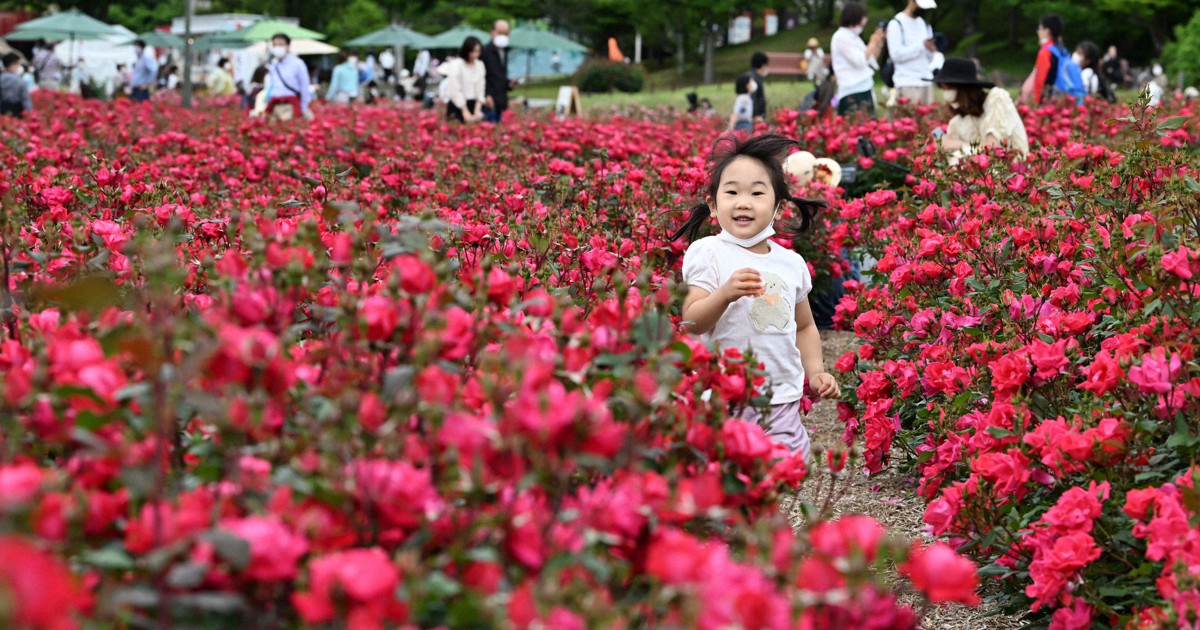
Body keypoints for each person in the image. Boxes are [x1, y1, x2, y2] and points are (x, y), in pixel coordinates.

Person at [672, 134, 839, 461]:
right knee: (728, 474)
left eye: (757, 193)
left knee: (782, 471)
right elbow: (690, 320)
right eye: (732, 192)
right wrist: (724, 295)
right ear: (712, 205)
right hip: (724, 398)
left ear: (779, 207)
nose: (743, 202)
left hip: (780, 398)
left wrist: (816, 371)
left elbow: (805, 326)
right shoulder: (708, 252)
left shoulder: (790, 263)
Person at [930, 57, 1029, 162]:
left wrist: (956, 145)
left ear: (963, 88)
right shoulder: (957, 122)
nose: (946, 94)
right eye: (943, 89)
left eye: (948, 88)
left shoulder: (996, 99)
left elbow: (993, 148)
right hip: (985, 171)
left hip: (1014, 167)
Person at [832, 2, 885, 117]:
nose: (864, 23)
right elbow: (860, 61)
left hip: (864, 86)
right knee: (855, 124)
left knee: (868, 124)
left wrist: (878, 43)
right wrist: (872, 42)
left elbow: (871, 59)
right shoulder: (841, 37)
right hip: (852, 90)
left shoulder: (854, 37)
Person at [887, 0, 937, 105]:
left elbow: (929, 59)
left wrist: (931, 50)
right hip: (907, 82)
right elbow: (896, 55)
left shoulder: (925, 24)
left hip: (926, 80)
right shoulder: (897, 23)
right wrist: (921, 46)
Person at [264, 33, 313, 121]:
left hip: (290, 106)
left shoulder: (297, 63)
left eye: (281, 44)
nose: (277, 47)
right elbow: (271, 86)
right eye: (275, 45)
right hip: (274, 106)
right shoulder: (273, 64)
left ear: (288, 45)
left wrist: (302, 107)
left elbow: (304, 87)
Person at [441, 36, 486, 123]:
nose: (475, 55)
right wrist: (464, 110)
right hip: (457, 105)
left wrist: (477, 109)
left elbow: (480, 88)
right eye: (473, 51)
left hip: (473, 105)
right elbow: (455, 89)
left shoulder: (480, 65)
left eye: (478, 52)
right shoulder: (456, 64)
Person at [481, 19, 513, 123]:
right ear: (492, 32)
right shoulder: (484, 51)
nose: (503, 36)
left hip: (500, 101)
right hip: (488, 102)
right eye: (500, 33)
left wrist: (509, 84)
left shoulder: (504, 51)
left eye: (506, 33)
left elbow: (499, 75)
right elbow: (480, 77)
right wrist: (485, 95)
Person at [1031, 14, 1067, 104]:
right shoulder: (1063, 50)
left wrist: (1036, 101)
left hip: (1049, 99)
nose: (1038, 32)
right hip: (1064, 96)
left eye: (1040, 29)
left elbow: (1041, 79)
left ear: (1047, 31)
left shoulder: (1045, 51)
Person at [0, 53, 32, 118]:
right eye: (18, 64)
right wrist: (29, 114)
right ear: (13, 64)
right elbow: (25, 100)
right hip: (17, 113)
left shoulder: (1, 78)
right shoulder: (20, 80)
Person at [738, 51, 769, 121]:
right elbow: (752, 97)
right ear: (763, 65)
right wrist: (756, 115)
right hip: (754, 118)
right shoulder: (753, 79)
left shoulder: (752, 76)